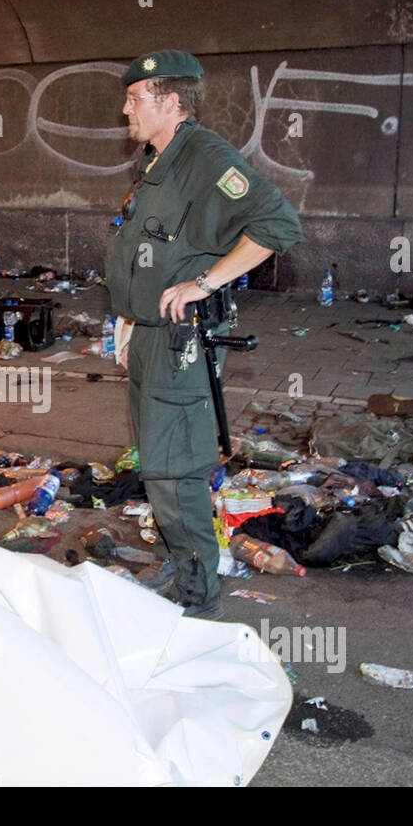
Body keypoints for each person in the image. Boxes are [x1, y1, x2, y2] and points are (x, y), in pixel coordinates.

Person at [107, 50, 302, 620]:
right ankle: (179, 562)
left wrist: (204, 281)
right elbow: (146, 243)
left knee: (175, 467)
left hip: (180, 337)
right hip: (149, 331)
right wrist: (128, 313)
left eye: (135, 98)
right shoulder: (159, 158)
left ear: (170, 102)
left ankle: (197, 595)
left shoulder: (206, 157)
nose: (125, 110)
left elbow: (278, 224)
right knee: (155, 460)